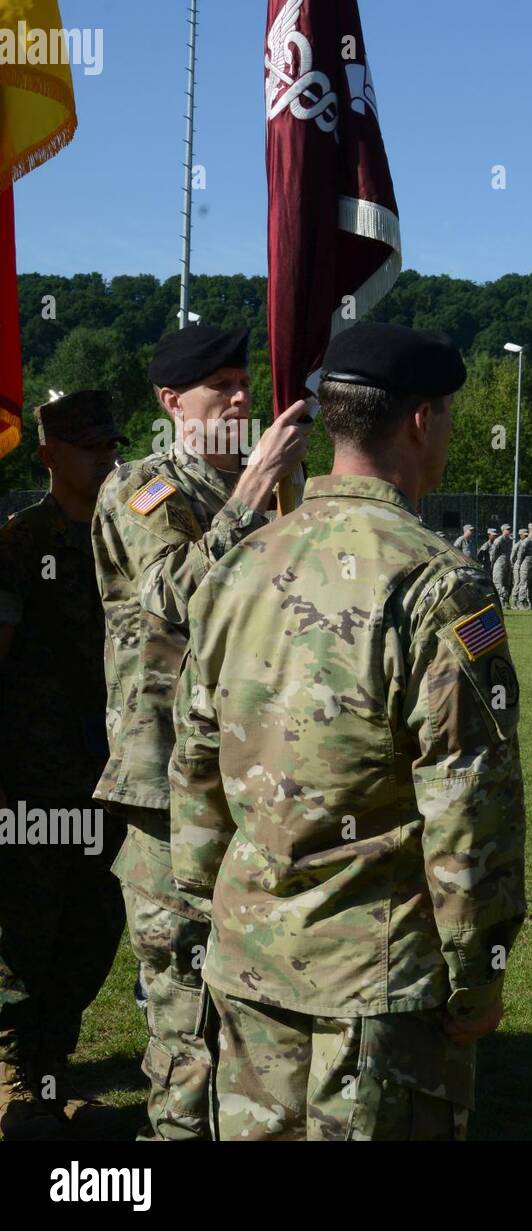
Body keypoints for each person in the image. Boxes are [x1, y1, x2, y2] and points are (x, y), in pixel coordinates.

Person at [169, 322, 527, 1142]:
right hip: (375, 987)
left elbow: (195, 759)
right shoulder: (442, 584)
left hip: (248, 961)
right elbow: (470, 797)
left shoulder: (237, 564)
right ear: (421, 422)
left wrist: (204, 904)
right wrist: (478, 970)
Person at [91, 325, 312, 1140]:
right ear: (170, 402)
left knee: (263, 992)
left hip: (263, 780)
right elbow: (176, 597)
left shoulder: (284, 499)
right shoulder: (143, 490)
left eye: (244, 379)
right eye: (220, 384)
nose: (243, 396)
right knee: (184, 1006)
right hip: (165, 788)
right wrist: (254, 489)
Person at [0, 392, 128, 1140]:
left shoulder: (126, 542)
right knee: (24, 940)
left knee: (90, 931)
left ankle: (50, 1079)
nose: (106, 458)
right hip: (33, 784)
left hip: (108, 780)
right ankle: (17, 1082)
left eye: (111, 445)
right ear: (48, 455)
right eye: (89, 447)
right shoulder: (20, 543)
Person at [491, 523, 513, 604]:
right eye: (507, 529)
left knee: (507, 582)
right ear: (503, 530)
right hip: (499, 563)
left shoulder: (510, 541)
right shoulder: (498, 540)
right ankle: (502, 600)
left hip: (507, 564)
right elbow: (494, 553)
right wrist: (493, 564)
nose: (509, 531)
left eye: (510, 529)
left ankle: (505, 600)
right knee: (499, 582)